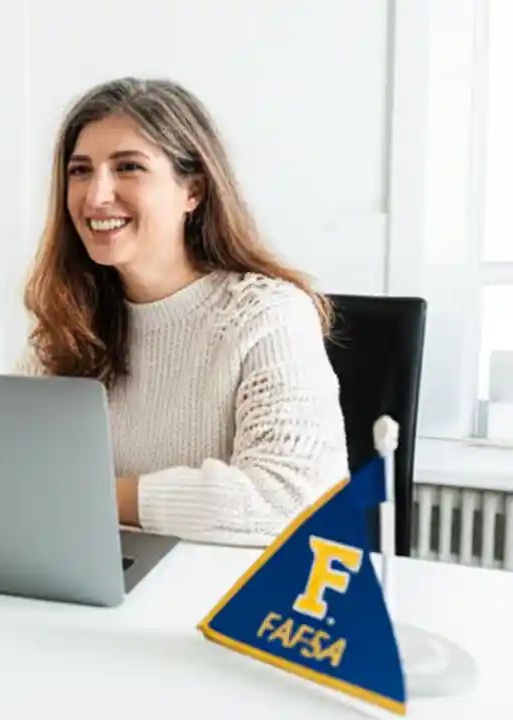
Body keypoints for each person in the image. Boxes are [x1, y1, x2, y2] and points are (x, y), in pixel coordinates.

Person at [20, 77, 348, 547]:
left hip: (222, 599)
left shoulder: (268, 315)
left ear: (192, 190)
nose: (95, 196)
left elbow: (292, 496)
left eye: (128, 167)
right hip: (100, 583)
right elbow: (10, 465)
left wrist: (98, 497)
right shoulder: (71, 319)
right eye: (80, 171)